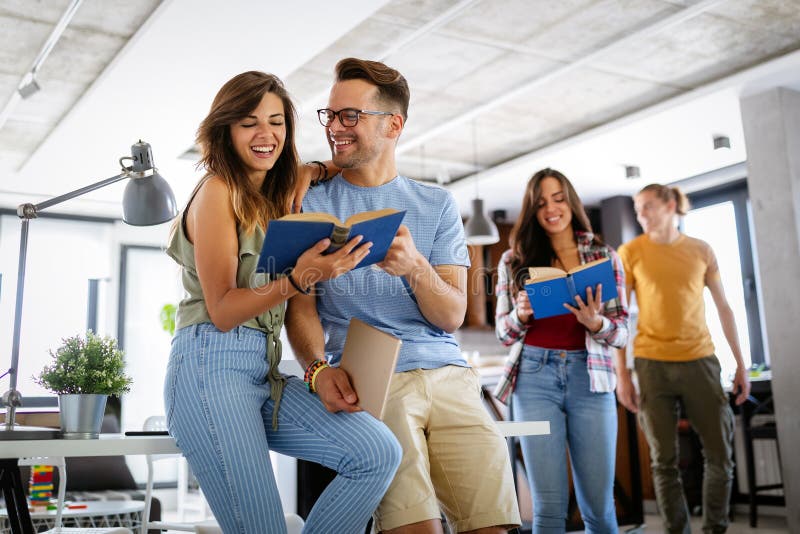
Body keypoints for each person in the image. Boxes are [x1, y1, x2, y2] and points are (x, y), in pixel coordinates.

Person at [285, 57, 521, 534]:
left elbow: (452, 314)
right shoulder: (306, 202)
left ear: (393, 124)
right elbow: (300, 307)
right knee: (415, 527)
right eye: (329, 115)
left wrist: (416, 269)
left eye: (349, 115)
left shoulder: (436, 204)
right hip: (376, 380)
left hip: (451, 375)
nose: (334, 127)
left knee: (493, 524)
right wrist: (317, 369)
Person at [163, 70, 401, 534]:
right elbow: (224, 310)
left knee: (377, 453)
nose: (265, 134)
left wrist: (329, 163)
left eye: (276, 122)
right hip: (209, 366)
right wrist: (300, 278)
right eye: (249, 122)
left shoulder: (276, 192)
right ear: (225, 129)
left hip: (265, 372)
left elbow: (320, 167)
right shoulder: (218, 190)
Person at [494, 168, 629, 534]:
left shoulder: (603, 255)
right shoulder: (514, 260)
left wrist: (596, 323)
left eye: (558, 199)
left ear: (570, 201)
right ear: (532, 211)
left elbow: (622, 333)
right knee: (548, 509)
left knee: (599, 510)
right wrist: (520, 315)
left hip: (592, 381)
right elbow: (503, 333)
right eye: (541, 204)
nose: (551, 209)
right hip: (532, 382)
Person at [615, 184, 750, 534]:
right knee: (663, 462)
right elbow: (618, 316)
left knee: (720, 457)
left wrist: (741, 363)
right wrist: (623, 375)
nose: (641, 215)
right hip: (651, 364)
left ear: (670, 205)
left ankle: (715, 528)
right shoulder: (630, 252)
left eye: (647, 207)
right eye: (637, 208)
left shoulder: (701, 250)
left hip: (701, 360)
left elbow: (724, 307)